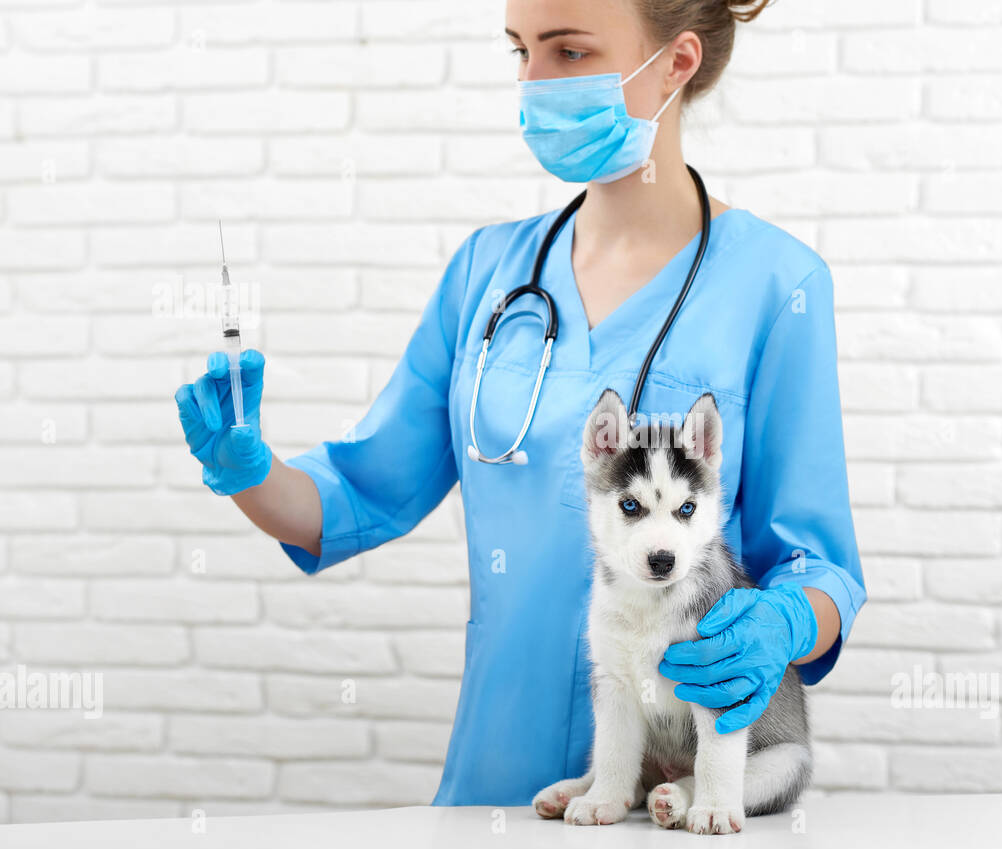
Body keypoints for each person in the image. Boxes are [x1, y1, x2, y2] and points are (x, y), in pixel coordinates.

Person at [174, 0, 866, 807]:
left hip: (681, 793)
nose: (534, 83)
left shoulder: (777, 286)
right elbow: (355, 496)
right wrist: (248, 469)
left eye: (568, 52)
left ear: (676, 63)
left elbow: (820, 567)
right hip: (494, 780)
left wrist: (779, 623)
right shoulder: (486, 275)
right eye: (521, 51)